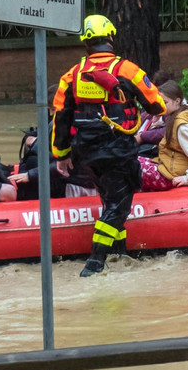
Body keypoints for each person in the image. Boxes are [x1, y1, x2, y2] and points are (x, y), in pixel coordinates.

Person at [52, 14, 165, 276]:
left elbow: (61, 117)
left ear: (85, 43)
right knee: (118, 207)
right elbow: (157, 106)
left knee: (110, 200)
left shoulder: (71, 75)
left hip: (87, 153)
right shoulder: (128, 70)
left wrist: (61, 154)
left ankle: (120, 253)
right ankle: (94, 263)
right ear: (111, 37)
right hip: (118, 150)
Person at [137, 75, 188, 190]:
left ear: (177, 101)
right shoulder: (180, 115)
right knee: (127, 158)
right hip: (168, 166)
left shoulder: (183, 125)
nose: (161, 106)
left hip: (171, 175)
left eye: (164, 102)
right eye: (159, 102)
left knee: (124, 164)